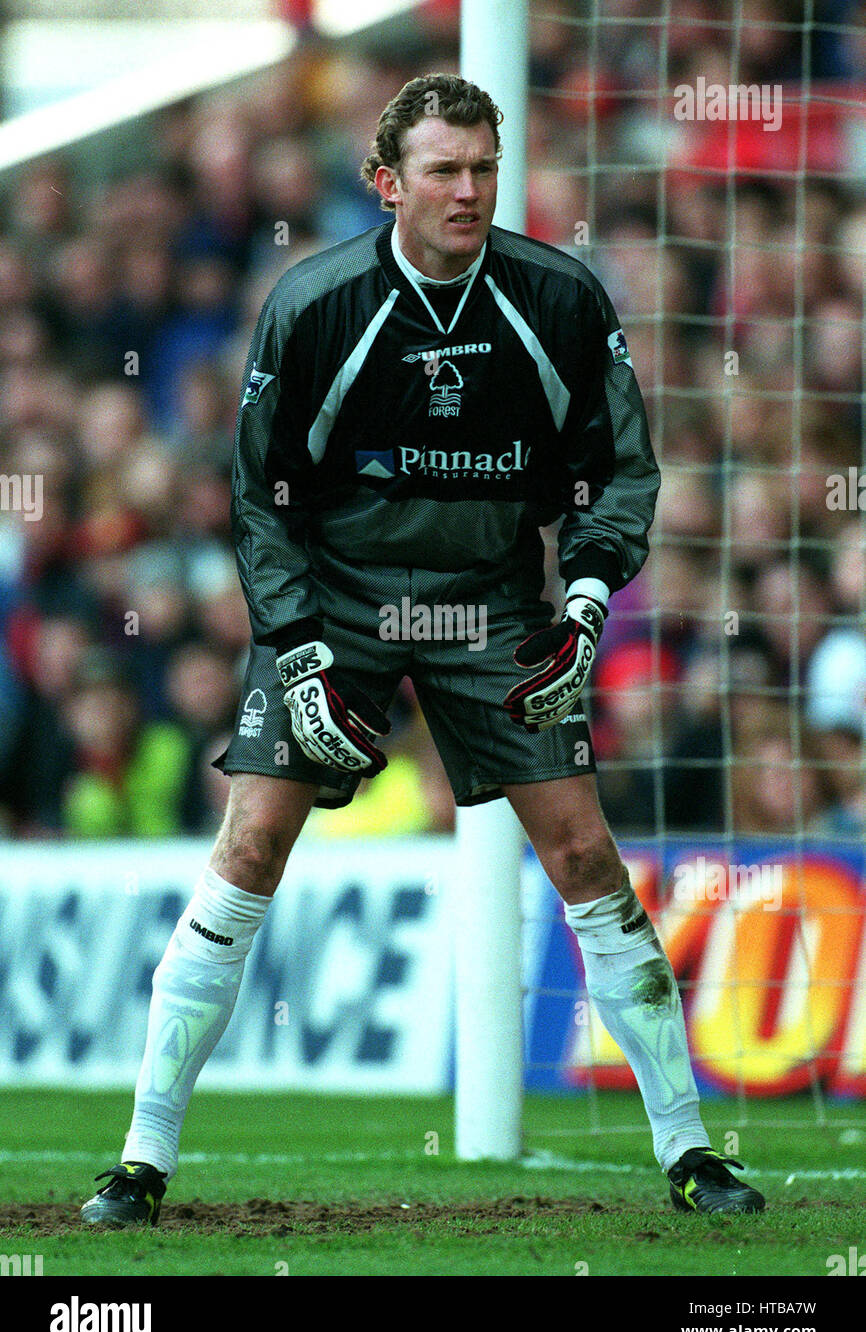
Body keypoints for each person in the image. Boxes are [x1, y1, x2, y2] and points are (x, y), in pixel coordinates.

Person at [81, 73, 764, 1226]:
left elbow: (617, 470)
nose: (468, 190)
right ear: (385, 183)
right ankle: (141, 1160)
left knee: (584, 853)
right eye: (443, 169)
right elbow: (260, 493)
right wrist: (296, 646)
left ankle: (691, 1152)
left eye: (483, 167)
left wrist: (585, 596)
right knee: (250, 842)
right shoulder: (314, 303)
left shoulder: (556, 298)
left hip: (491, 601)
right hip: (335, 600)